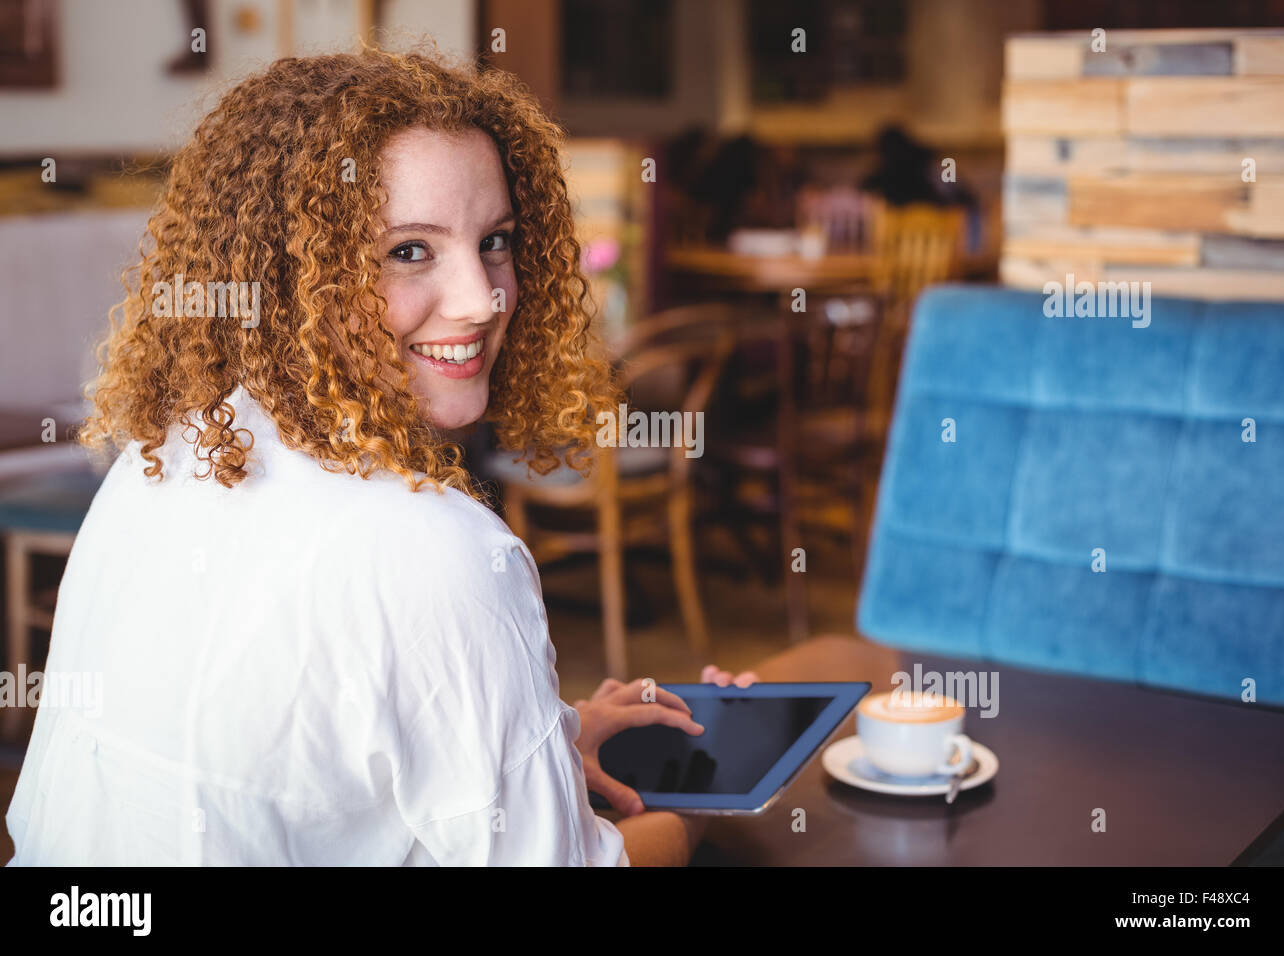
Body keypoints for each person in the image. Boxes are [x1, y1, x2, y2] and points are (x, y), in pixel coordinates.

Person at [4, 46, 766, 867]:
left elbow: (297, 756)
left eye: (497, 240)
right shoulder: (437, 550)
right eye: (410, 250)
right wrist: (707, 800)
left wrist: (549, 737)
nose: (483, 299)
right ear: (295, 274)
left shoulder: (169, 451)